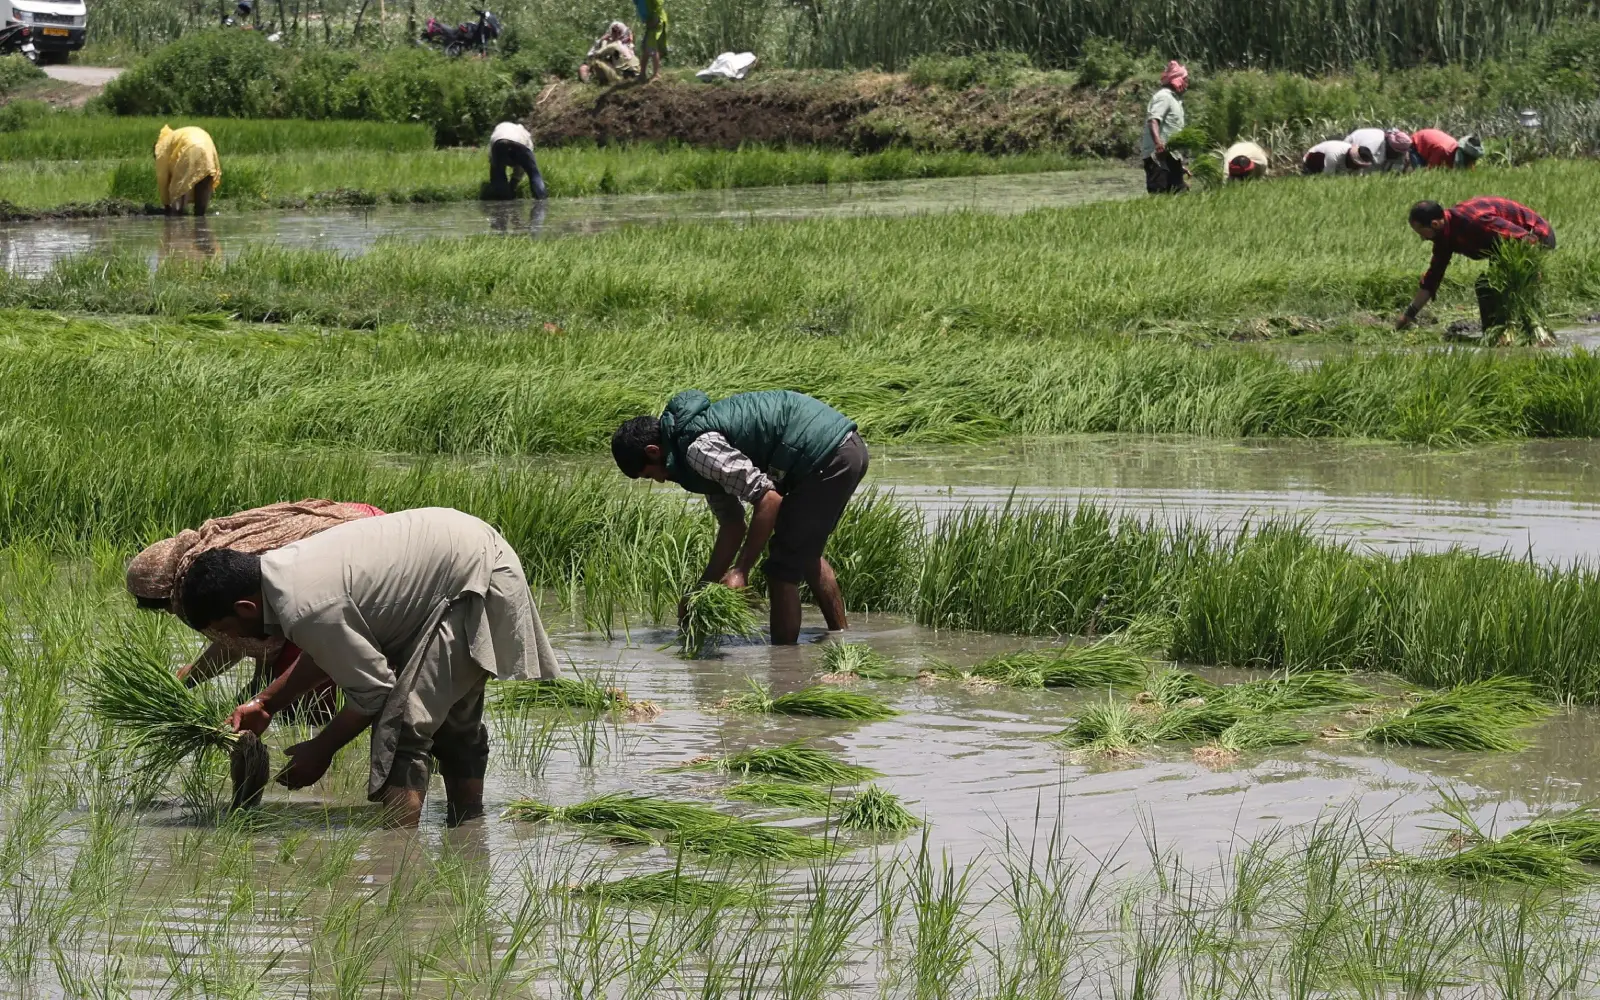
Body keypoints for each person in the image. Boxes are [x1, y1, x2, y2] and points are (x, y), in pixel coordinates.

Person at [181, 507, 560, 828]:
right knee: (447, 723)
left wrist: (322, 749)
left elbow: (375, 691)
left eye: (227, 631)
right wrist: (266, 703)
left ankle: (399, 864)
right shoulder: (283, 572)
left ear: (245, 608)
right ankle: (467, 836)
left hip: (473, 580)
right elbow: (331, 650)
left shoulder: (305, 606)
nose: (233, 642)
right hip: (469, 559)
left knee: (403, 728)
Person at [611, 390, 868, 646]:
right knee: (801, 548)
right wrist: (701, 590)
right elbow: (733, 525)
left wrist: (741, 571)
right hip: (839, 450)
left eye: (649, 475)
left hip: (830, 453)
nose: (658, 481)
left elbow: (769, 499)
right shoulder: (689, 460)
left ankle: (784, 671)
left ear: (654, 451)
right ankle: (842, 642)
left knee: (781, 568)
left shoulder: (697, 451)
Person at [126, 499, 386, 722]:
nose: (172, 613)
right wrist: (184, 683)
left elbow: (260, 643)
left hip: (361, 560)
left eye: (166, 607)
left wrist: (257, 699)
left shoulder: (204, 581)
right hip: (365, 521)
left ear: (168, 592)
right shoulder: (212, 544)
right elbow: (235, 641)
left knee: (302, 702)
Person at [1396, 198, 1555, 332]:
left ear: (1435, 224)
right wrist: (1408, 315)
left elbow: (1526, 239)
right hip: (1503, 247)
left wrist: (1533, 272)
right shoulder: (1444, 236)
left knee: (1497, 287)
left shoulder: (1474, 221)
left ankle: (1526, 328)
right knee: (1488, 286)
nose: (1423, 239)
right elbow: (1433, 277)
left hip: (1537, 236)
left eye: (1422, 233)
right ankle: (1499, 331)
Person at [1141, 61, 1189, 194]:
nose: (1187, 83)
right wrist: (1158, 144)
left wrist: (1178, 166)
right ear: (1177, 80)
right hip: (1159, 155)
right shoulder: (1164, 97)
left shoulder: (1175, 100)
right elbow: (1153, 120)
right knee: (1159, 193)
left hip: (1171, 155)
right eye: (1185, 80)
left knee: (1179, 192)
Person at [155, 125, 221, 216]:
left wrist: (167, 204)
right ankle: (200, 217)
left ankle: (177, 216)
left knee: (179, 188)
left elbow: (163, 178)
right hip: (207, 146)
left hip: (189, 148)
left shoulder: (161, 148)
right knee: (204, 176)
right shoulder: (174, 137)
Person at [487, 121, 548, 200]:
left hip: (499, 140)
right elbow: (522, 169)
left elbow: (493, 161)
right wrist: (513, 184)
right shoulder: (525, 135)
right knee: (534, 174)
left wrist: (498, 173)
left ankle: (503, 202)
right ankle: (541, 200)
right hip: (520, 142)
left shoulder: (501, 129)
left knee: (498, 173)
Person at [1345, 127, 1412, 171]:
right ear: (1391, 148)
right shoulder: (1372, 148)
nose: (1400, 155)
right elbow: (1362, 167)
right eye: (1399, 153)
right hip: (1350, 149)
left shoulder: (1386, 138)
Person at [633, 0, 667, 81]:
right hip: (650, 22)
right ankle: (642, 74)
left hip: (656, 21)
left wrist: (655, 17)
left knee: (651, 48)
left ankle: (656, 74)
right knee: (645, 48)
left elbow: (659, 3)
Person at [1301, 140, 1373, 175]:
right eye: (1357, 166)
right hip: (1314, 161)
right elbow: (1327, 179)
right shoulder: (1333, 154)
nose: (1358, 168)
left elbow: (1357, 181)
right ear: (1351, 160)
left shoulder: (1357, 164)